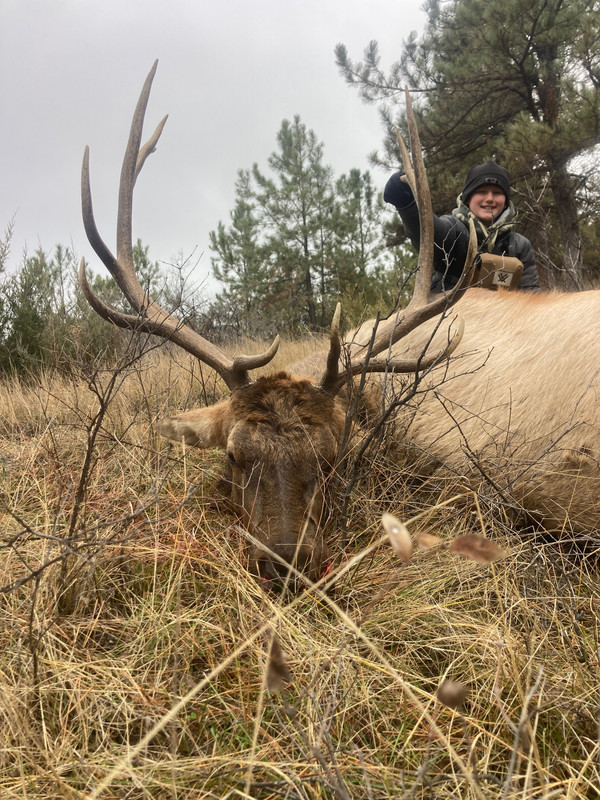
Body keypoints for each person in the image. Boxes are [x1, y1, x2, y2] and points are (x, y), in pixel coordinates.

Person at [384, 161, 540, 293]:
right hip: (450, 317)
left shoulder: (519, 245)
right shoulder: (454, 230)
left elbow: (531, 295)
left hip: (501, 319)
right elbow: (429, 233)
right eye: (481, 192)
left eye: (497, 193)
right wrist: (408, 205)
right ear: (467, 199)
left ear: (505, 201)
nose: (490, 198)